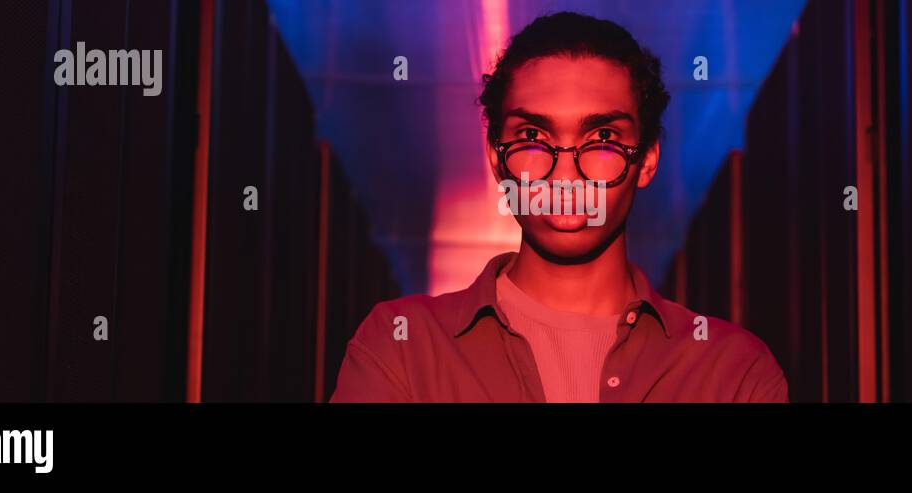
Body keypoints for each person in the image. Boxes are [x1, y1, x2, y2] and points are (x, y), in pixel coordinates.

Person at [331, 12, 787, 402]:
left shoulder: (733, 374)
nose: (565, 175)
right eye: (533, 137)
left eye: (602, 138)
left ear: (647, 159)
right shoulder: (402, 347)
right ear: (496, 158)